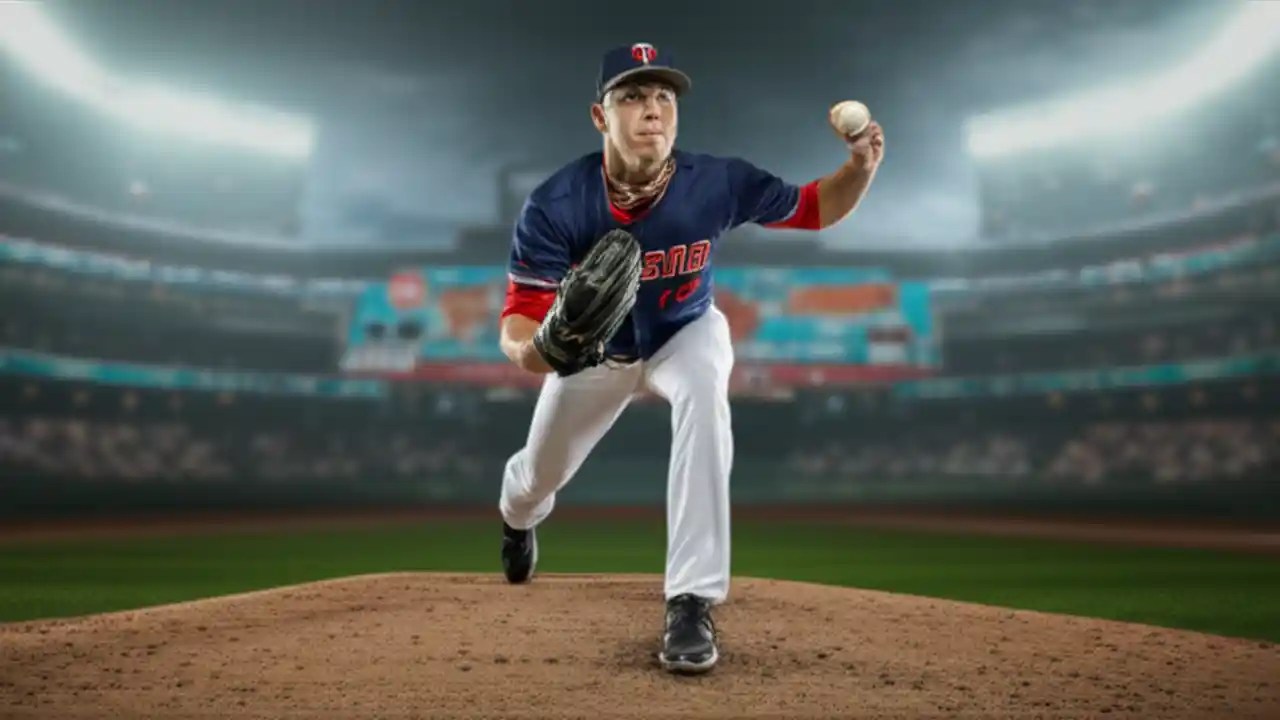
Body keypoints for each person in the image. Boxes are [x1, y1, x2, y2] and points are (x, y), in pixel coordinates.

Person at [495, 42, 885, 674]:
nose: (652, 109)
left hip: (686, 331)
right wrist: (538, 350)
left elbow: (815, 207)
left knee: (706, 392)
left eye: (663, 97)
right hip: (599, 351)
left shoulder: (718, 182)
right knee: (537, 477)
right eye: (633, 96)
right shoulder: (556, 204)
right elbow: (517, 323)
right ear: (600, 117)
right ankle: (516, 519)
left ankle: (691, 599)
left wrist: (860, 167)